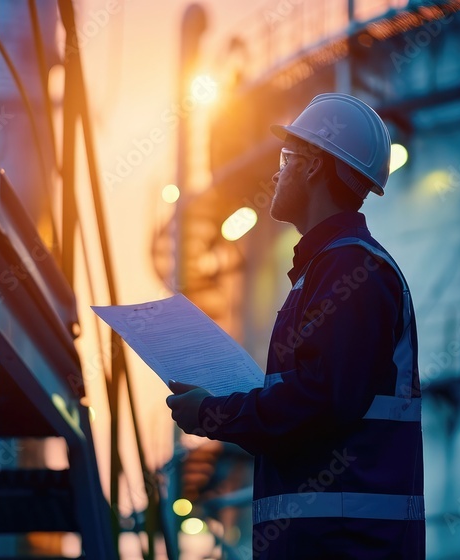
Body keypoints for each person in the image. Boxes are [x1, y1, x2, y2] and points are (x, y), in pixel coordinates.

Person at [167, 93, 424, 559]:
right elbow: (311, 403)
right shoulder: (323, 271)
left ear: (312, 168)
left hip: (347, 547)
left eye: (286, 158)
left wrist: (212, 414)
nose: (275, 172)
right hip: (324, 543)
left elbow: (321, 403)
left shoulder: (352, 271)